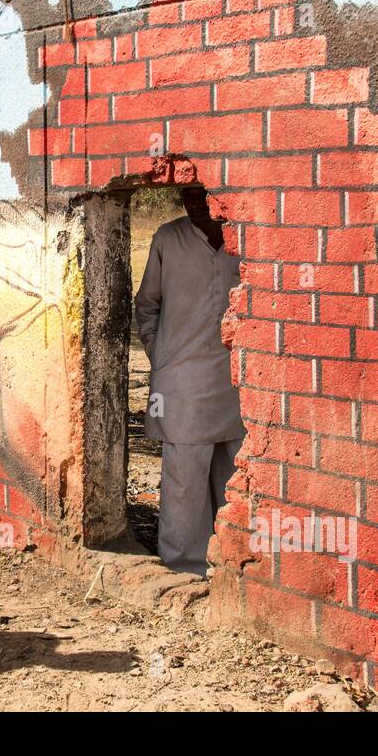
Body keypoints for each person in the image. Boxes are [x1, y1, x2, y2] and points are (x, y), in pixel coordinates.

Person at [133, 186, 245, 576]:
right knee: (184, 481)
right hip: (180, 383)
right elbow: (147, 304)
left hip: (237, 382)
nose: (196, 204)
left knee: (232, 476)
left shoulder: (244, 238)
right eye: (188, 196)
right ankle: (185, 568)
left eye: (203, 195)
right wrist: (159, 351)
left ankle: (232, 563)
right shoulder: (168, 237)